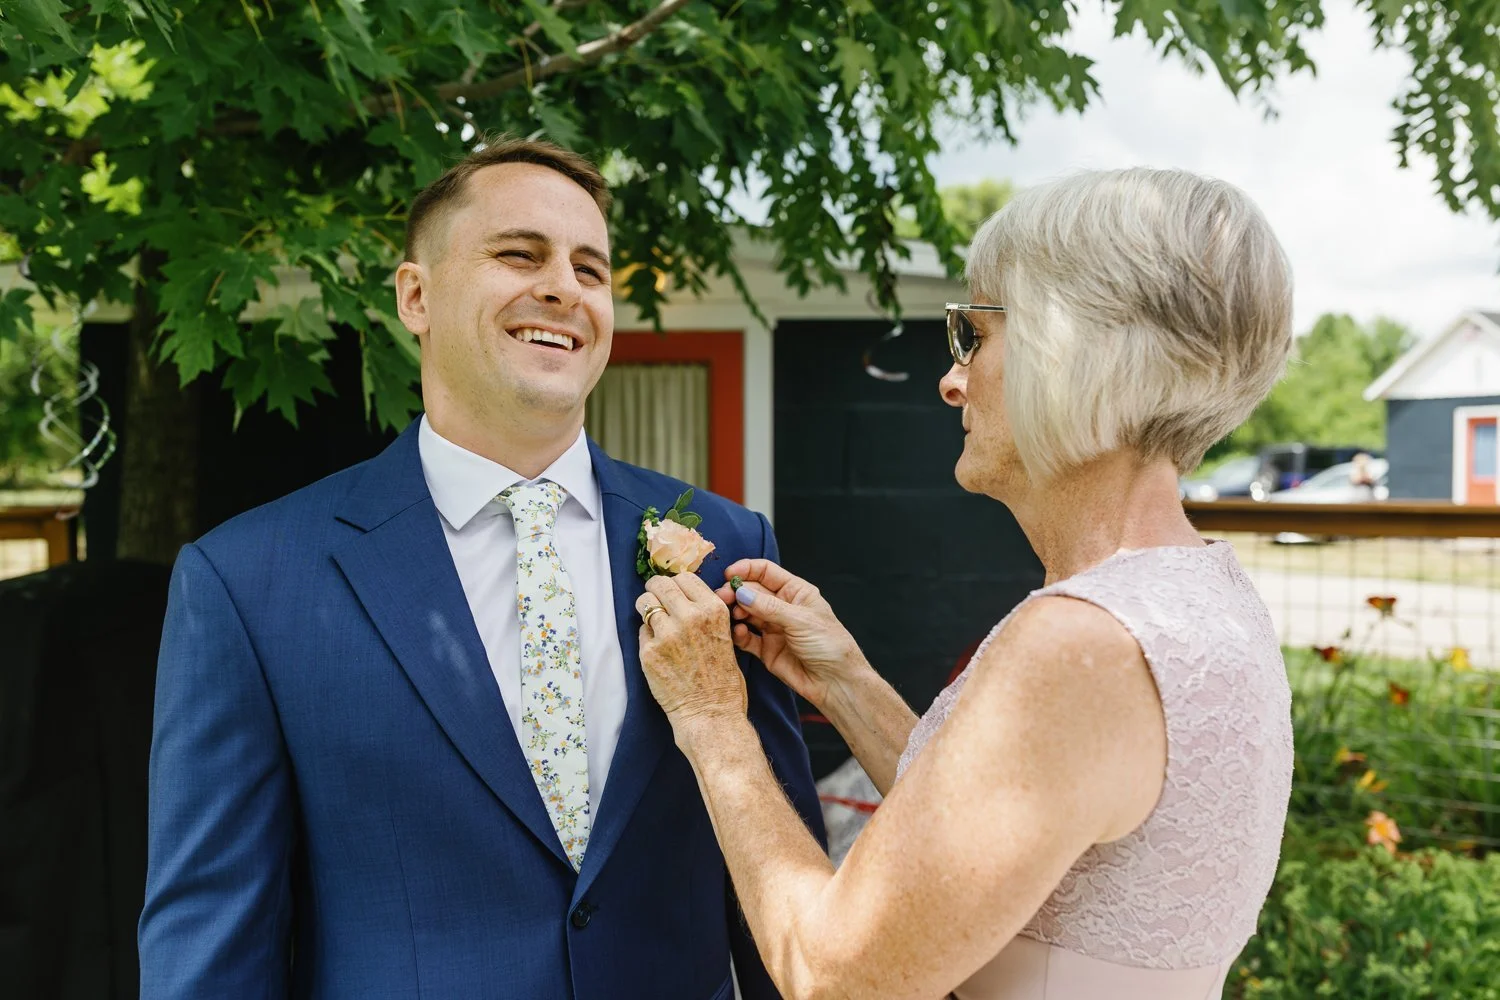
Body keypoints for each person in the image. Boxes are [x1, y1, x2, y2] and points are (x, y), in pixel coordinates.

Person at [138, 135, 823, 1000]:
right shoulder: (248, 582)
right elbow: (210, 940)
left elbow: (784, 896)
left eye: (590, 269)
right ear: (415, 296)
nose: (564, 288)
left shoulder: (726, 542)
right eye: (519, 254)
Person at [634, 167, 1295, 1000]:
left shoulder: (1080, 644)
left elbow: (830, 973)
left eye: (975, 336)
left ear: (1075, 350)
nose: (952, 380)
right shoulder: (1205, 598)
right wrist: (845, 681)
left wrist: (710, 719)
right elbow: (996, 840)